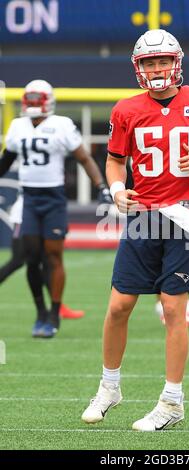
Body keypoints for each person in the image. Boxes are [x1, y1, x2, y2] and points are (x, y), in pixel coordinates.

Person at [81, 29, 189, 431]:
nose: (156, 68)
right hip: (144, 215)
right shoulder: (126, 109)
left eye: (162, 60)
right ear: (139, 67)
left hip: (188, 215)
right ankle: (109, 387)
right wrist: (116, 189)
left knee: (173, 308)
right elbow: (115, 159)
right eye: (149, 62)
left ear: (177, 63)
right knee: (119, 306)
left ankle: (172, 401)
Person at [0, 79, 108, 338]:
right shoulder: (17, 126)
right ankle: (40, 312)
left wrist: (101, 185)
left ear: (48, 100)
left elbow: (84, 158)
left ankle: (54, 311)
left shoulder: (62, 125)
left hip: (53, 198)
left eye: (38, 98)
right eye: (31, 99)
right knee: (31, 258)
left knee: (53, 256)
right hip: (29, 198)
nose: (34, 104)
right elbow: (7, 160)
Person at [0, 192, 85, 320]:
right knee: (18, 260)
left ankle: (58, 306)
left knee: (46, 261)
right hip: (24, 215)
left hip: (43, 214)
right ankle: (56, 307)